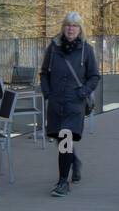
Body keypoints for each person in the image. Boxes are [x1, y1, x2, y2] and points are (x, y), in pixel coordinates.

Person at [39, 11, 100, 197]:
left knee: (65, 139)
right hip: (56, 103)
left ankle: (63, 182)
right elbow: (44, 73)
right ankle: (75, 162)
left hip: (74, 104)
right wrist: (47, 92)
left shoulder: (86, 50)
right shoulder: (53, 48)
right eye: (67, 25)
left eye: (74, 26)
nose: (70, 29)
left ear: (80, 29)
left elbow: (94, 76)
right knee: (61, 141)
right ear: (63, 27)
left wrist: (83, 92)